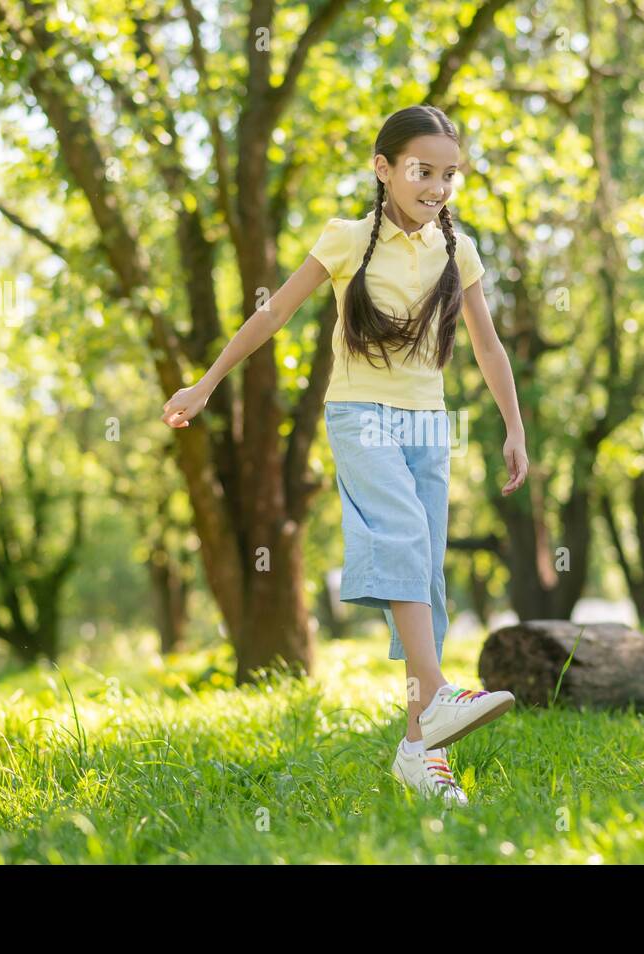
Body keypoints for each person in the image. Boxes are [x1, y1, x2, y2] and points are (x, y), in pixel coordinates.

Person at [161, 104, 528, 806]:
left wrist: (513, 426)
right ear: (383, 167)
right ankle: (443, 698)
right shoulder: (345, 240)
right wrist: (206, 383)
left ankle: (419, 750)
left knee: (425, 581)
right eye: (424, 170)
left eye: (450, 174)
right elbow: (273, 314)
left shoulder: (460, 249)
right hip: (360, 414)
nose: (437, 186)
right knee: (401, 536)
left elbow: (487, 344)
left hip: (429, 425)